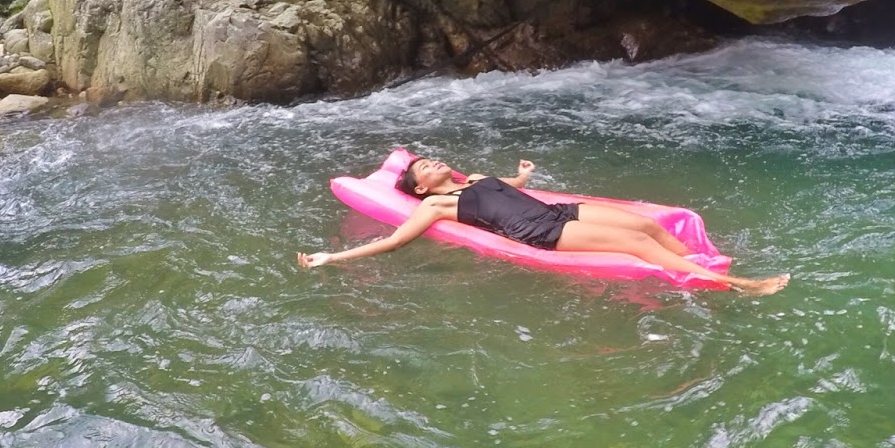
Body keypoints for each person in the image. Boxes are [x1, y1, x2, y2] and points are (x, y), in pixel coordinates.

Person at [297, 156, 790, 295]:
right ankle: (737, 284)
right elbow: (393, 242)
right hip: (541, 233)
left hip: (557, 212)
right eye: (421, 167)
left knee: (645, 224)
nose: (430, 163)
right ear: (420, 189)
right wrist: (331, 256)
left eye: (429, 158)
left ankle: (695, 262)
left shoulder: (479, 175)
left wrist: (524, 176)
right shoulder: (435, 208)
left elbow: (505, 185)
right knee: (635, 242)